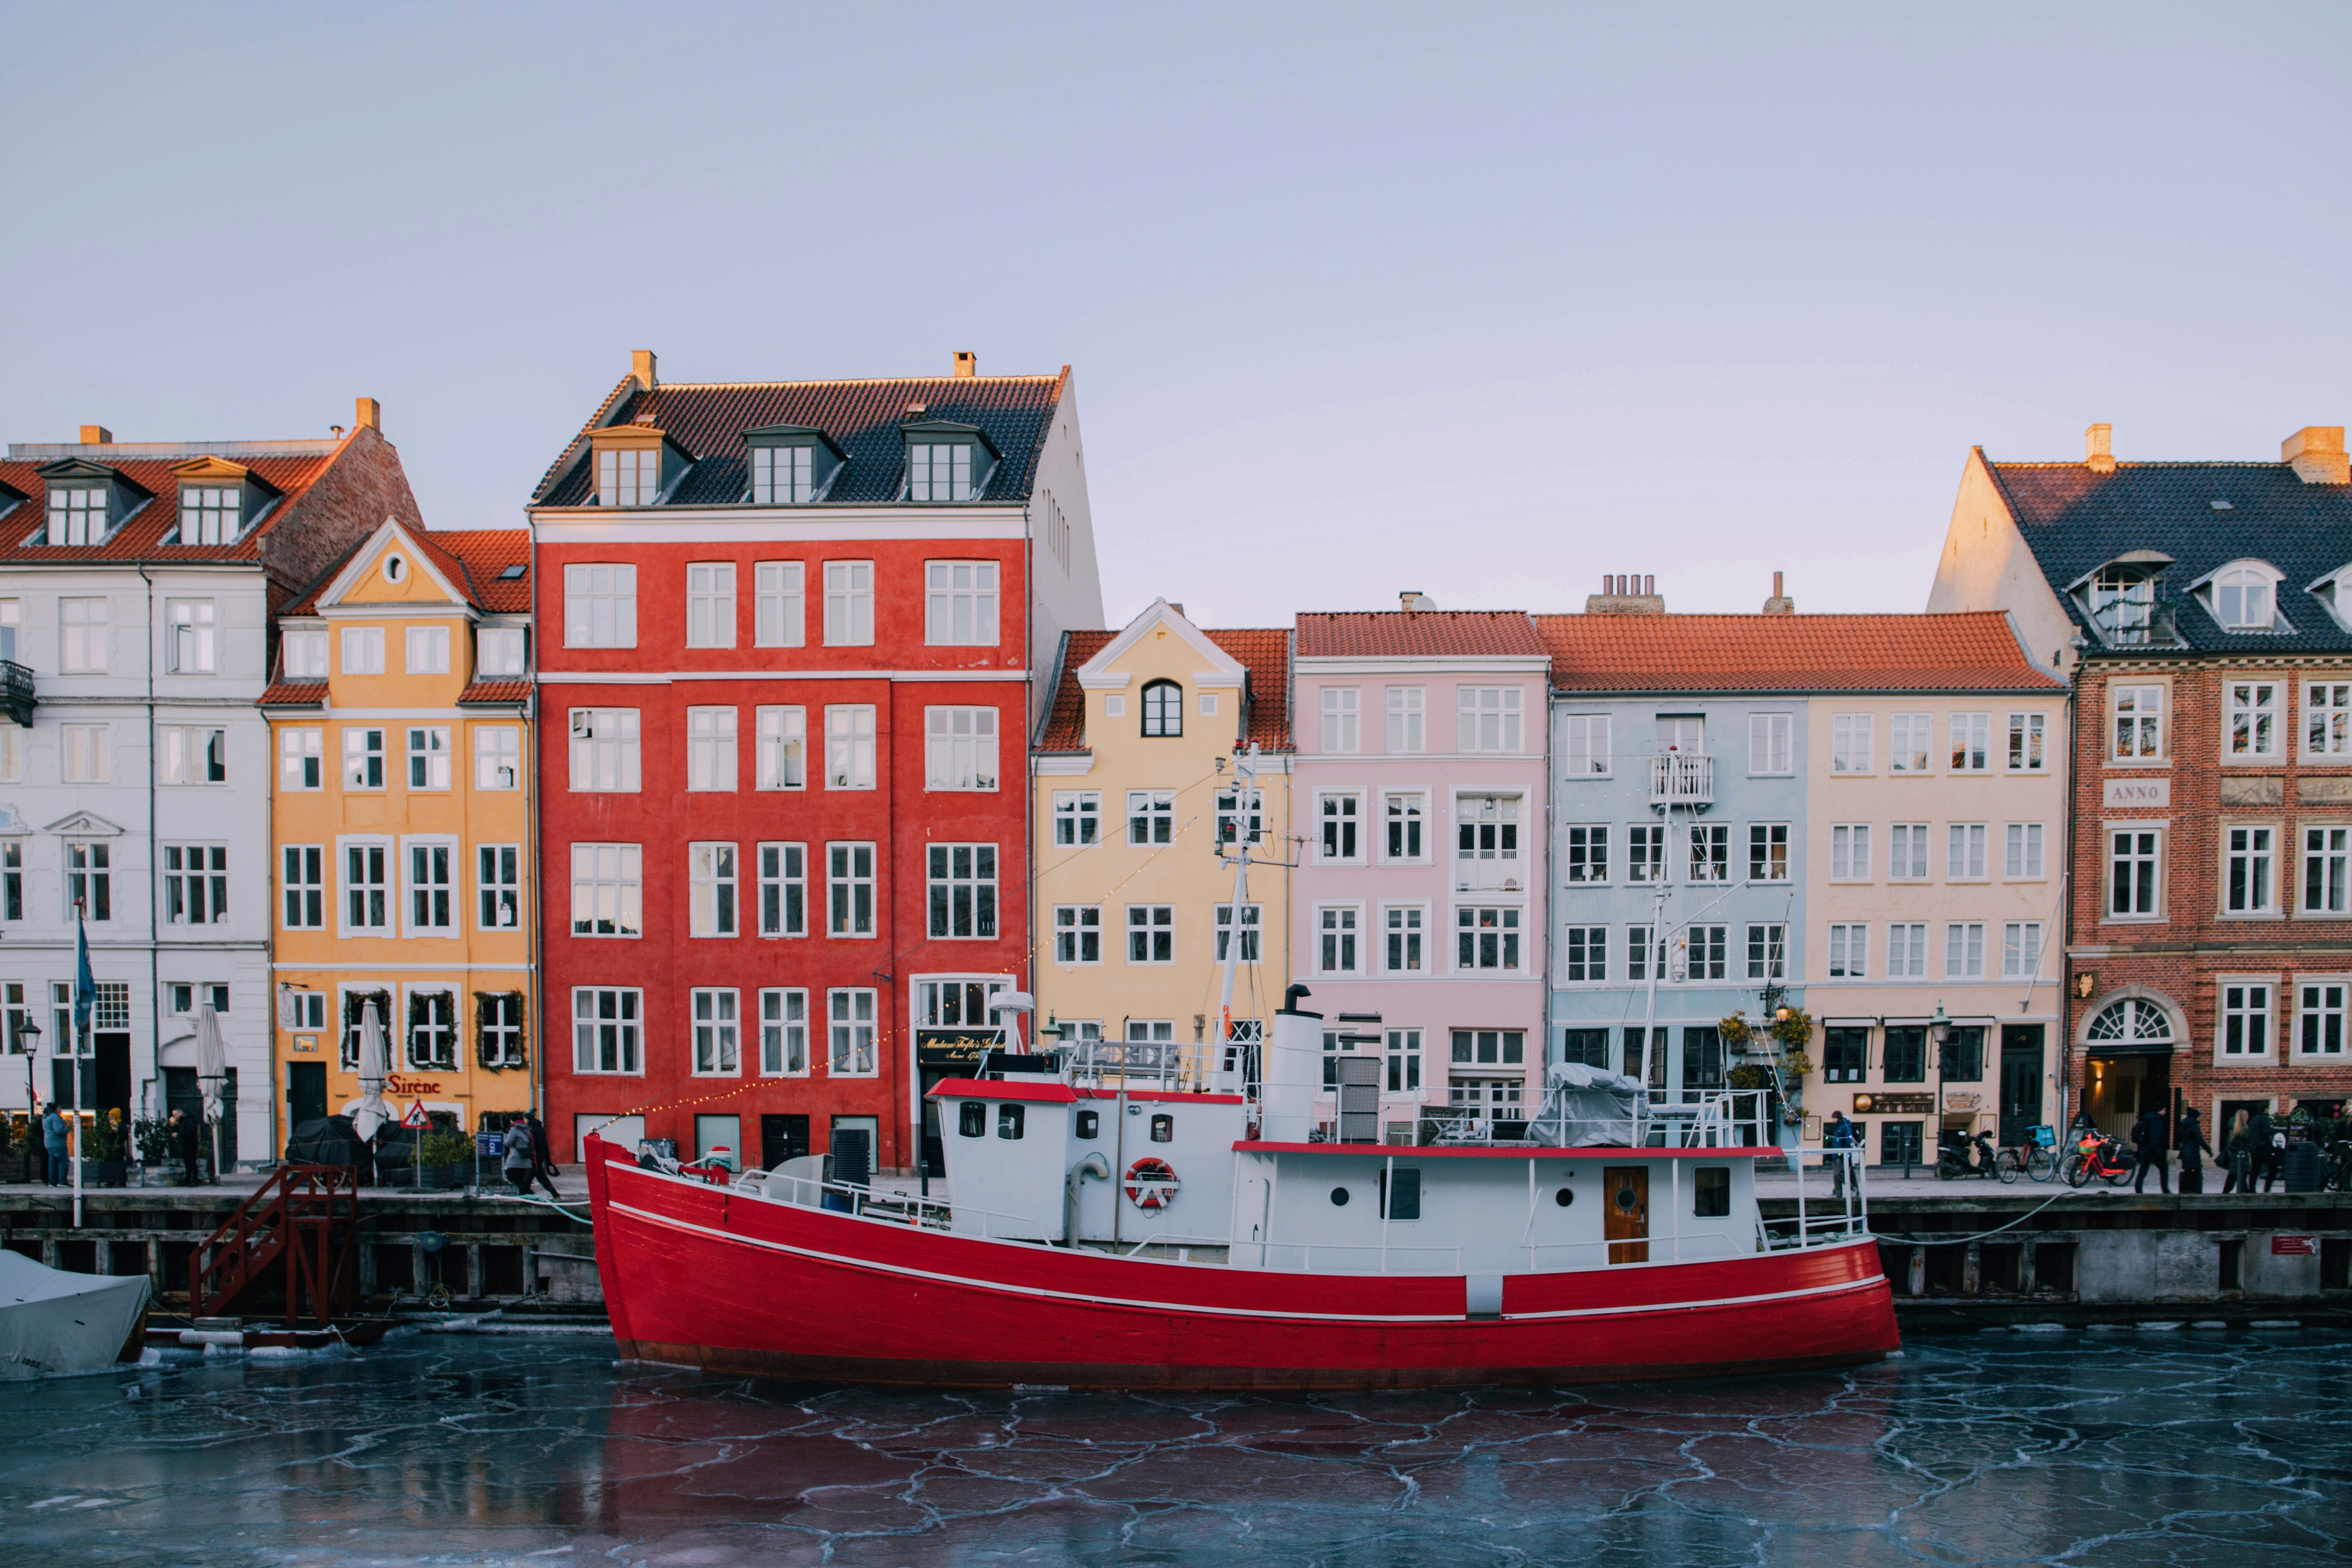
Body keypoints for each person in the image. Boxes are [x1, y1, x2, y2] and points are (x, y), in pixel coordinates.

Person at [2130, 1105, 2170, 1194]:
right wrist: (2159, 1150)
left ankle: (2138, 1190)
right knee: (2164, 1170)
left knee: (2143, 1171)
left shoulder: (2147, 1120)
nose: (2165, 1112)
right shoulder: (2157, 1122)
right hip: (2154, 1151)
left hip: (2144, 1150)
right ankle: (2166, 1191)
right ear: (2159, 1111)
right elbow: (2155, 1137)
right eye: (2164, 1110)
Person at [2176, 1105, 2214, 1195]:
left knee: (2187, 1170)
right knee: (2197, 1171)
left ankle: (2184, 1189)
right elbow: (2200, 1139)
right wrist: (2208, 1150)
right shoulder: (2194, 1126)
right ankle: (2192, 1189)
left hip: (2185, 1150)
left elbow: (2179, 1138)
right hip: (2193, 1150)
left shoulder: (2183, 1125)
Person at [524, 1112, 562, 1200]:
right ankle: (525, 1193)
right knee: (531, 1177)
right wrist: (547, 1159)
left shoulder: (532, 1130)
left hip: (534, 1157)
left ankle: (555, 1195)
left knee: (538, 1177)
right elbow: (544, 1145)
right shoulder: (540, 1128)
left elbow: (534, 1144)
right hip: (539, 1157)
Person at [1824, 1110, 1857, 1199]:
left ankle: (1852, 1186)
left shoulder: (1845, 1127)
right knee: (1835, 1176)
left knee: (1839, 1173)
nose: (1833, 1121)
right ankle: (1838, 1194)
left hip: (1841, 1155)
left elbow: (1848, 1139)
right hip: (1836, 1154)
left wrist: (1844, 1152)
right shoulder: (1837, 1128)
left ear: (1839, 1118)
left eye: (1834, 1118)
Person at [500, 1115, 535, 1196]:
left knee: (510, 1175)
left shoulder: (514, 1129)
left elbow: (508, 1143)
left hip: (516, 1158)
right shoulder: (528, 1129)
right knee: (521, 1177)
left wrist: (505, 1137)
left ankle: (525, 1191)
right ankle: (525, 1193)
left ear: (512, 1121)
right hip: (527, 1158)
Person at [167, 1107, 202, 1186]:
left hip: (191, 1144)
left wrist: (178, 1134)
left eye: (175, 1115)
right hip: (185, 1144)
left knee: (192, 1162)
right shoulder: (182, 1121)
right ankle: (188, 1180)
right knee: (187, 1163)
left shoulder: (190, 1120)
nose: (174, 1117)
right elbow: (181, 1130)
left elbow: (190, 1132)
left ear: (179, 1114)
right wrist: (174, 1126)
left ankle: (195, 1181)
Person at [2247, 1106, 2279, 1193]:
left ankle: (2252, 1190)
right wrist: (2273, 1130)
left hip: (2255, 1148)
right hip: (2263, 1148)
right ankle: (2267, 1189)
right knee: (2273, 1168)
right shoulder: (2264, 1118)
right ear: (2266, 1109)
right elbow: (2267, 1132)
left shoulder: (2253, 1119)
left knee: (2255, 1170)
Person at [40, 1102, 69, 1187]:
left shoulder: (46, 1117)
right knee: (62, 1162)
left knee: (53, 1162)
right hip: (58, 1143)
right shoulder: (55, 1118)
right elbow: (59, 1131)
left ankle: (53, 1181)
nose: (61, 1109)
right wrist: (68, 1129)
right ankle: (62, 1181)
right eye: (60, 1107)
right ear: (56, 1108)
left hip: (49, 1143)